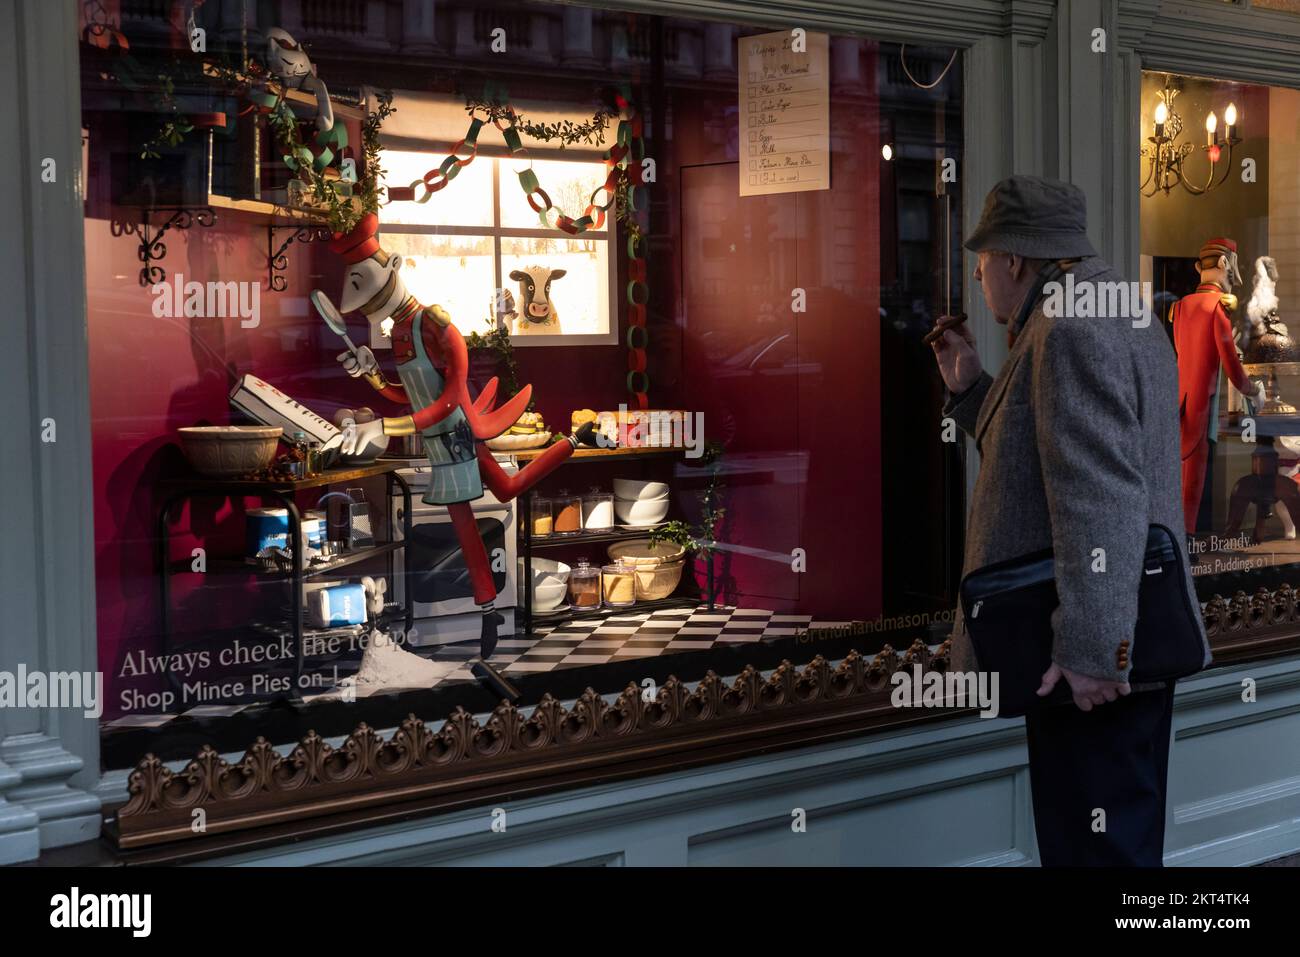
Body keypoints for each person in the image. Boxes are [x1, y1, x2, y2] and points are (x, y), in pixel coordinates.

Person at [930, 175, 1210, 866]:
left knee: (1100, 856)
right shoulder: (1115, 307)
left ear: (1017, 260)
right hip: (1124, 643)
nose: (978, 271)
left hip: (1097, 667)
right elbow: (1051, 465)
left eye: (984, 256)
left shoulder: (1070, 327)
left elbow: (1101, 497)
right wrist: (973, 392)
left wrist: (1092, 653)